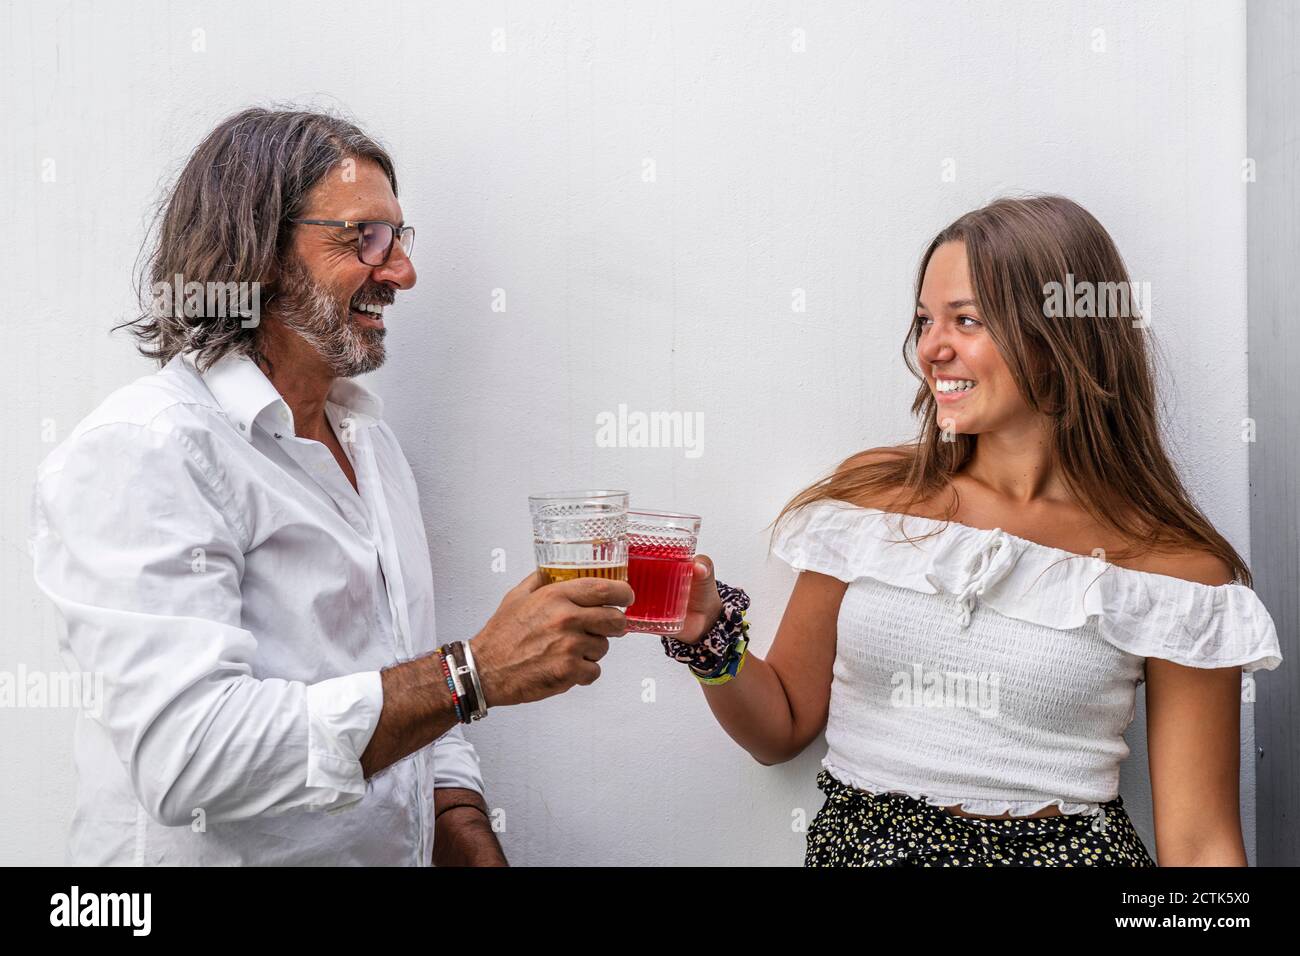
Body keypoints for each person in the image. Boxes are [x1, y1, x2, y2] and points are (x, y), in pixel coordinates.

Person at [28, 107, 630, 866]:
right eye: (365, 238)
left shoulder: (368, 444)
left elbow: (402, 693)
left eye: (400, 240)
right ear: (260, 252)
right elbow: (191, 759)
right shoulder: (144, 452)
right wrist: (471, 674)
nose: (402, 272)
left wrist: (469, 835)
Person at [667, 195, 1283, 866]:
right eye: (926, 321)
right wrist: (707, 638)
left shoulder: (1174, 571)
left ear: (1060, 339)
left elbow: (1200, 847)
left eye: (966, 319)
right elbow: (779, 729)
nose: (932, 348)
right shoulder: (875, 499)